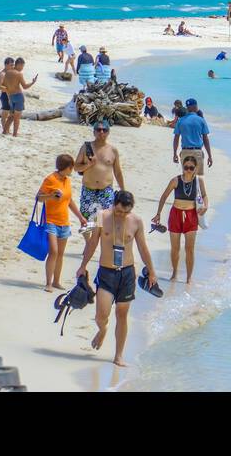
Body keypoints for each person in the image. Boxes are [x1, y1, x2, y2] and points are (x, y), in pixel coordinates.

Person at [76, 189, 157, 367]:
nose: (121, 215)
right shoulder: (101, 217)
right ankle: (102, 330)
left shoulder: (136, 221)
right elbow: (92, 243)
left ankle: (118, 355)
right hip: (106, 272)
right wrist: (82, 266)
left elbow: (143, 248)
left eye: (125, 212)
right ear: (114, 204)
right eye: (119, 211)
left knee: (122, 314)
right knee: (101, 315)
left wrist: (151, 270)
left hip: (127, 273)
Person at [153, 158, 208, 283]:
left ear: (196, 168)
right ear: (182, 167)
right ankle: (174, 273)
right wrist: (158, 214)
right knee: (175, 247)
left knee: (189, 248)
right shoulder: (175, 180)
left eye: (191, 168)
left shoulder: (199, 181)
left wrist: (206, 206)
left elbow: (204, 195)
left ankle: (189, 277)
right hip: (176, 215)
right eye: (186, 167)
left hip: (191, 215)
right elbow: (164, 196)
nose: (188, 170)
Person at [37, 154, 84, 292]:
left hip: (64, 222)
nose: (72, 171)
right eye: (71, 168)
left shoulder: (67, 181)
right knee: (53, 251)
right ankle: (48, 283)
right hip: (50, 220)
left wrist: (80, 217)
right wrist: (51, 196)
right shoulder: (50, 179)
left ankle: (56, 281)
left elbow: (69, 201)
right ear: (67, 167)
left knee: (60, 254)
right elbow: (39, 197)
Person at [74, 119, 124, 229]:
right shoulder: (86, 147)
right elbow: (76, 167)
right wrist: (88, 165)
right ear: (94, 132)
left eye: (104, 130)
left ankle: (100, 243)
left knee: (103, 223)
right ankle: (89, 244)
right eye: (98, 129)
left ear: (108, 132)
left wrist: (123, 190)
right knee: (86, 223)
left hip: (105, 192)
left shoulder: (113, 150)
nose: (101, 132)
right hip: (88, 190)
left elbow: (117, 172)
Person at [0, 57, 38, 137]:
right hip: (18, 96)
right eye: (22, 66)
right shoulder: (19, 74)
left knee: (11, 116)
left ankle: (4, 131)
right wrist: (32, 83)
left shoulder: (7, 73)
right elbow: (24, 87)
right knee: (17, 117)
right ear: (19, 65)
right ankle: (15, 134)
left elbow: (4, 85)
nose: (22, 68)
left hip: (10, 97)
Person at [172, 97, 213, 169]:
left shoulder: (180, 121)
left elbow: (176, 138)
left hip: (185, 152)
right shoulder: (201, 120)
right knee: (196, 177)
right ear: (195, 107)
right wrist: (209, 156)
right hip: (197, 152)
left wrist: (175, 153)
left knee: (186, 177)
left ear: (187, 108)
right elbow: (205, 139)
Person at [0, 56, 15, 135]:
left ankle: (7, 130)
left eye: (13, 65)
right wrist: (7, 89)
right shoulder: (2, 74)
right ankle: (5, 130)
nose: (12, 67)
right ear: (6, 65)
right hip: (5, 95)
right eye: (11, 65)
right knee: (5, 114)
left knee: (12, 114)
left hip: (11, 95)